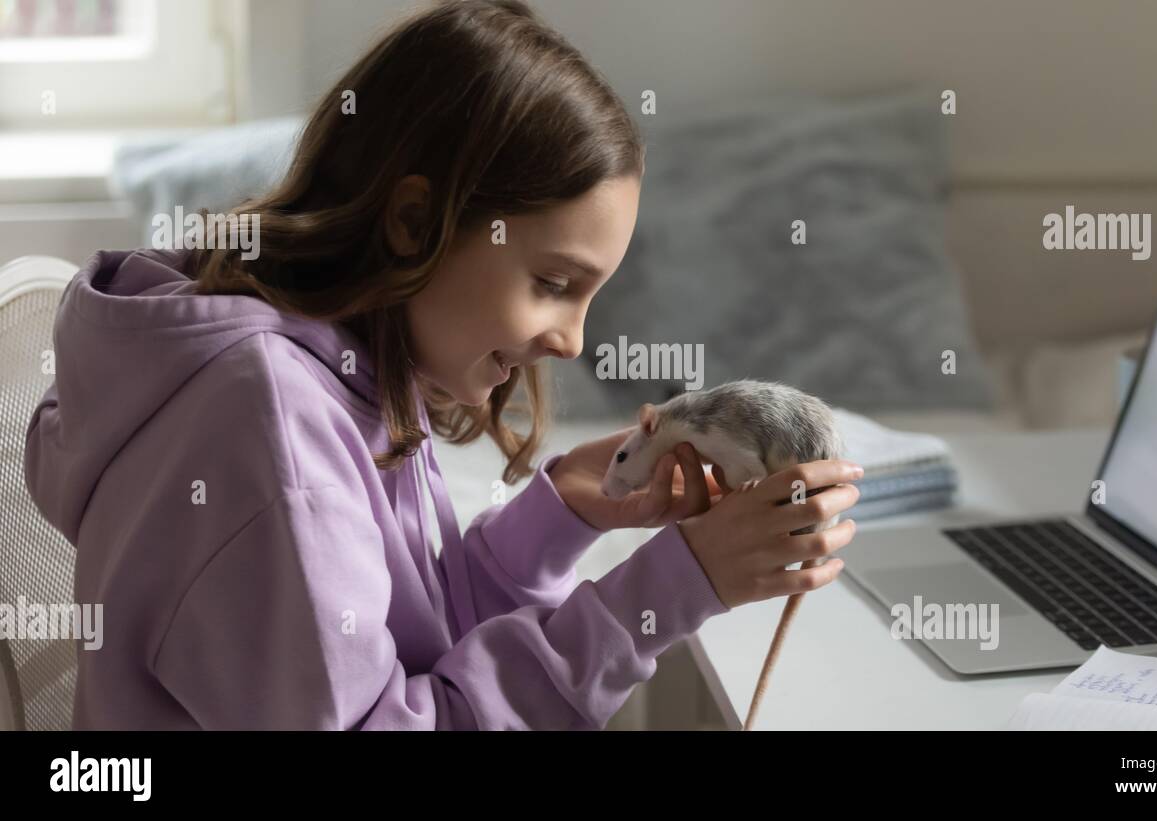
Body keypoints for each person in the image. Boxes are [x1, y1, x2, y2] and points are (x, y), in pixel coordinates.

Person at [23, 0, 862, 730]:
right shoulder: (268, 428)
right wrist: (668, 590)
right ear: (414, 222)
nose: (570, 339)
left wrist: (557, 514)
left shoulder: (351, 368)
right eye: (552, 283)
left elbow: (412, 643)